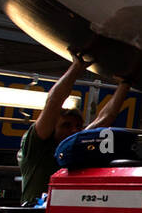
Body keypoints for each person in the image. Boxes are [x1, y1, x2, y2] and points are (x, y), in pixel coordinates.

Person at [17, 56, 132, 205]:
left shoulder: (75, 145)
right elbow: (53, 102)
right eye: (66, 125)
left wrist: (125, 84)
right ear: (53, 127)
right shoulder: (36, 147)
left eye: (78, 126)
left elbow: (105, 118)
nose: (74, 130)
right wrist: (77, 66)